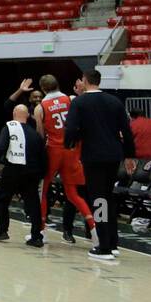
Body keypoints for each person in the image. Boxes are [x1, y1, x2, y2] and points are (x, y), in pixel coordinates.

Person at [64, 69, 135, 261]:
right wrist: (129, 156)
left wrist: (69, 143)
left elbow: (70, 128)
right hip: (114, 155)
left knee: (98, 200)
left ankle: (103, 247)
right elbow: (127, 131)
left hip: (94, 156)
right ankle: (113, 242)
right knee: (108, 197)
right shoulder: (114, 101)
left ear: (85, 81)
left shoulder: (79, 102)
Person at [34, 75, 94, 243]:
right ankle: (95, 230)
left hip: (53, 150)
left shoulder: (40, 108)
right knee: (74, 194)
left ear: (43, 89)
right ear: (58, 84)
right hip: (72, 149)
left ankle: (41, 231)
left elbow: (40, 135)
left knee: (43, 191)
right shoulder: (72, 99)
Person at [0, 104, 46, 247]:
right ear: (27, 115)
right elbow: (43, 155)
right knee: (33, 203)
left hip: (13, 169)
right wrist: (41, 173)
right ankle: (36, 236)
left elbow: (1, 147)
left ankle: (2, 231)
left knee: (3, 199)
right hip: (31, 171)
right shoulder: (35, 133)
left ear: (14, 113)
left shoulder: (8, 127)